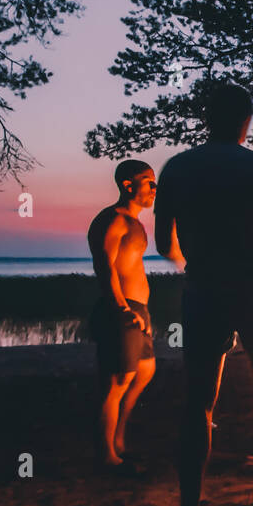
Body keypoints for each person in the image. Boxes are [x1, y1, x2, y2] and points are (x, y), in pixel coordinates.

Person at [153, 83, 253, 506]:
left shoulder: (177, 168)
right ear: (246, 120)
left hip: (204, 292)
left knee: (198, 402)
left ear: (206, 117)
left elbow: (163, 242)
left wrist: (194, 268)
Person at [87, 160, 158, 473]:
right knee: (116, 382)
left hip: (138, 310)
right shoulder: (112, 220)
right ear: (129, 186)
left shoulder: (136, 222)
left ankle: (119, 441)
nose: (154, 189)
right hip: (122, 310)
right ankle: (106, 455)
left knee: (144, 371)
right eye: (148, 182)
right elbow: (104, 267)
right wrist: (122, 310)